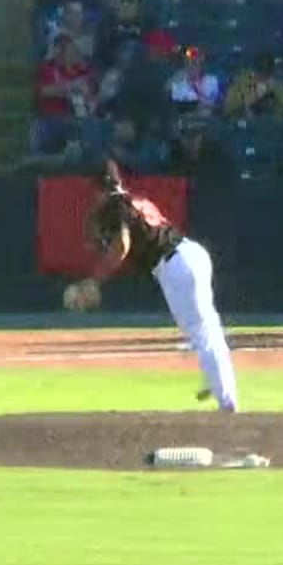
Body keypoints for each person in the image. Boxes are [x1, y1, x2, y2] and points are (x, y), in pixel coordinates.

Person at [74, 160, 239, 412]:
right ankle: (216, 379)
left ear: (98, 189)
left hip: (176, 265)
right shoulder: (131, 200)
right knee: (207, 327)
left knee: (202, 333)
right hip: (190, 254)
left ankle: (227, 402)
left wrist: (95, 279)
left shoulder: (114, 206)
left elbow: (123, 245)